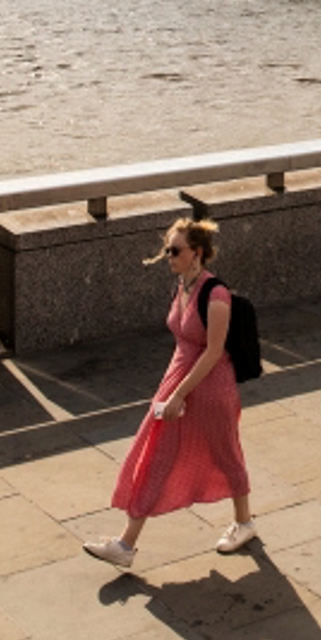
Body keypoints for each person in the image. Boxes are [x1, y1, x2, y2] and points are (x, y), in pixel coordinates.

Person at [82, 219, 254, 569]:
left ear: (198, 253)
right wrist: (171, 389)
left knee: (225, 453)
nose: (168, 256)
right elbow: (183, 343)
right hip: (179, 385)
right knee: (155, 453)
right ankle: (126, 544)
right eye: (167, 250)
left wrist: (178, 395)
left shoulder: (215, 295)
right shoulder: (181, 286)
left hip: (208, 390)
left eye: (175, 251)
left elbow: (213, 351)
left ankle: (244, 523)